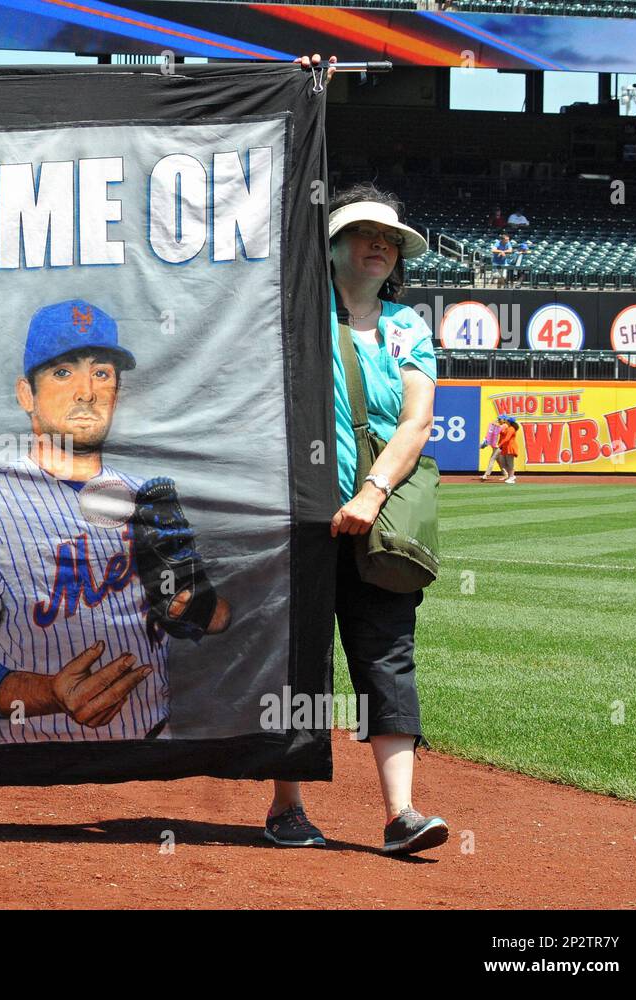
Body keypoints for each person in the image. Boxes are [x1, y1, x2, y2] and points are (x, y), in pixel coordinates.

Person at [0, 299, 231, 743]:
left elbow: (216, 620)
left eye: (101, 373)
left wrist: (192, 603)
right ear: (27, 394)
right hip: (42, 769)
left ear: (118, 390)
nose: (87, 391)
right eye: (63, 372)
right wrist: (49, 694)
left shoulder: (148, 498)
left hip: (154, 753)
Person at [264, 183, 448, 855]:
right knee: (299, 662)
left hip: (376, 518)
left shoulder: (408, 327)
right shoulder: (296, 315)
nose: (381, 245)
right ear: (332, 244)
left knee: (387, 656)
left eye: (391, 239)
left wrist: (371, 490)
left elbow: (417, 420)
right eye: (366, 233)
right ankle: (287, 807)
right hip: (301, 518)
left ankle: (401, 813)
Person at [480, 416, 505, 481]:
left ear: (504, 420)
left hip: (499, 447)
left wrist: (495, 422)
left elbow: (498, 428)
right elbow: (492, 430)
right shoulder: (498, 426)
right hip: (495, 446)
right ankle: (506, 474)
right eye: (499, 419)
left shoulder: (504, 425)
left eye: (500, 419)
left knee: (492, 459)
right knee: (499, 462)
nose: (499, 420)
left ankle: (486, 475)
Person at [497, 416, 520, 484]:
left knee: (510, 463)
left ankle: (511, 477)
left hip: (510, 447)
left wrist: (499, 445)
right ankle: (511, 476)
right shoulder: (509, 428)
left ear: (509, 422)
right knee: (502, 461)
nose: (505, 421)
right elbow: (503, 433)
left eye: (507, 420)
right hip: (505, 447)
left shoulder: (511, 429)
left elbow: (507, 438)